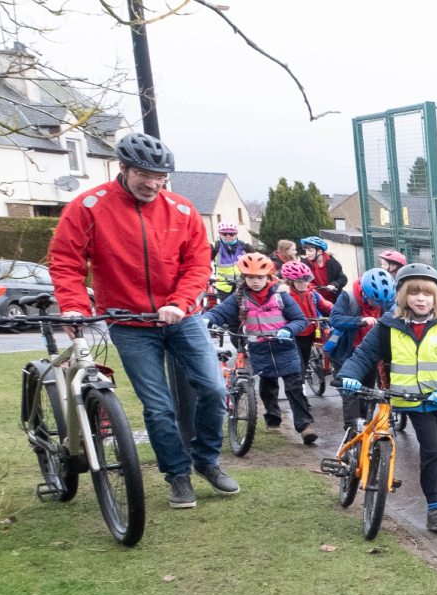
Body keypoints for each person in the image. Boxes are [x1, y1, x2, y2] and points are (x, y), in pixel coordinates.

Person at [48, 131, 236, 510]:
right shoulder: (88, 207)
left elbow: (198, 263)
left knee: (214, 390)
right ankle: (178, 475)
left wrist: (181, 302)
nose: (152, 184)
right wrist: (73, 307)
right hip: (129, 323)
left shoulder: (181, 211)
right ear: (124, 168)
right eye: (144, 176)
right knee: (158, 405)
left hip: (182, 318)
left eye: (160, 178)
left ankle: (207, 461)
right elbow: (67, 261)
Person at [337, 263, 437, 533]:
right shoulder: (388, 326)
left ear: (436, 296)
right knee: (432, 450)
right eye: (414, 293)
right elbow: (364, 355)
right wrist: (349, 375)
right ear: (402, 296)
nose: (421, 299)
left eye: (427, 293)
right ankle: (434, 508)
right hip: (412, 401)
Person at [207, 253, 317, 445]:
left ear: (268, 276)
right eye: (250, 277)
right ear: (244, 278)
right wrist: (207, 319)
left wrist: (288, 330)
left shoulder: (281, 295)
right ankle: (273, 416)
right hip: (260, 349)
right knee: (267, 386)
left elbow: (300, 320)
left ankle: (305, 426)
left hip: (284, 348)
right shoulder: (239, 298)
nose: (255, 281)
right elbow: (221, 312)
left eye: (259, 277)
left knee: (294, 387)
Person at [327, 267, 397, 430]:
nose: (379, 305)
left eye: (383, 303)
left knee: (367, 392)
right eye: (375, 301)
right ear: (365, 293)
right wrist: (360, 320)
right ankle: (351, 432)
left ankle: (364, 430)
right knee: (350, 392)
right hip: (346, 352)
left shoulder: (387, 302)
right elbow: (335, 319)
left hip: (369, 353)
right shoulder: (348, 297)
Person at [280, 260, 334, 380]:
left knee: (304, 360)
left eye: (306, 280)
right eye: (299, 281)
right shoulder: (284, 296)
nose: (304, 284)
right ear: (290, 282)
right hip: (293, 335)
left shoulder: (312, 293)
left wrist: (338, 312)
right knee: (299, 368)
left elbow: (326, 305)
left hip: (309, 333)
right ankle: (301, 390)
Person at [300, 236, 346, 301]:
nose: (307, 253)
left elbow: (343, 279)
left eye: (310, 251)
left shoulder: (332, 262)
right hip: (315, 300)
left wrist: (334, 285)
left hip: (333, 299)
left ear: (319, 251)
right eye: (306, 250)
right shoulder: (305, 263)